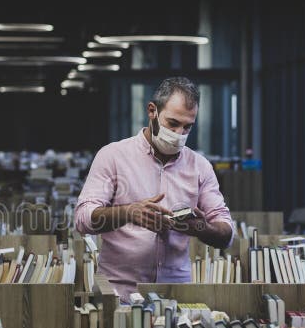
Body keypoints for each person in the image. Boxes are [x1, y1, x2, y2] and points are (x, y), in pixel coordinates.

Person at [74, 77, 234, 301]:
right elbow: (82, 219)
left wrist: (201, 228)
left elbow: (227, 234)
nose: (179, 134)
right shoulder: (113, 156)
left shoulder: (200, 166)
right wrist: (128, 213)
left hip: (176, 296)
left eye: (187, 127)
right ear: (152, 111)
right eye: (172, 123)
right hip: (119, 294)